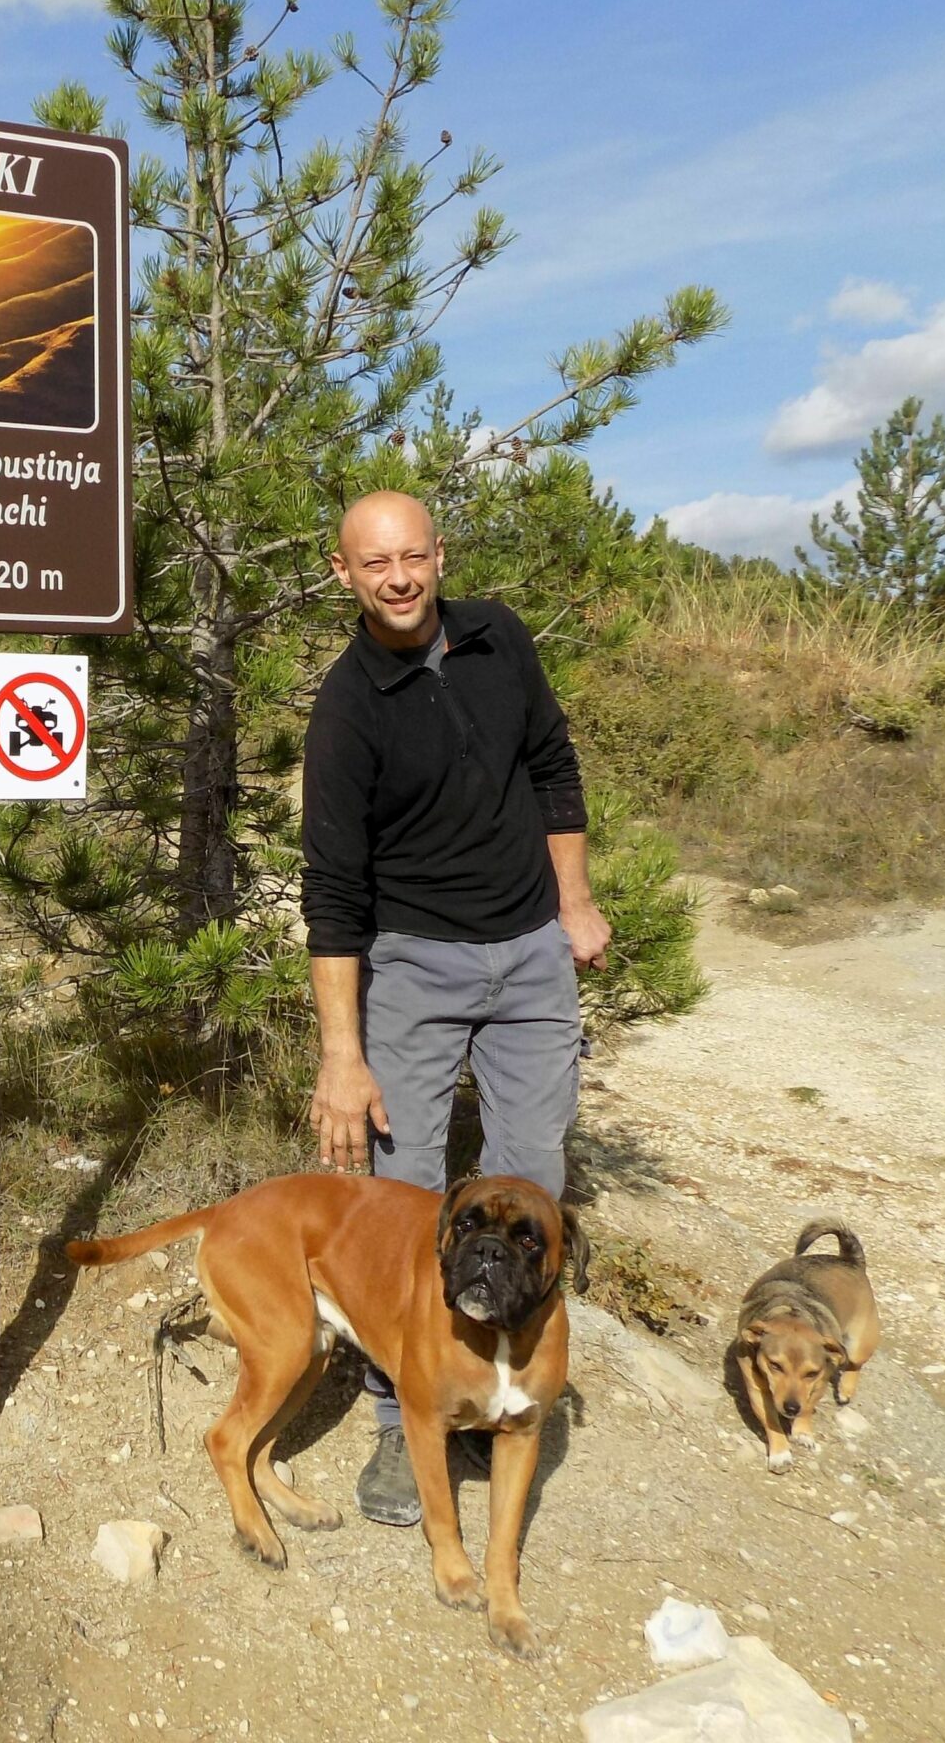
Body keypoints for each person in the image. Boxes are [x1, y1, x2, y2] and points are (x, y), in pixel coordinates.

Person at [298, 491, 611, 1527]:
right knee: (403, 1195)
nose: (397, 577)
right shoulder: (347, 711)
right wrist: (342, 1055)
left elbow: (552, 768)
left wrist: (572, 901)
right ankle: (403, 1422)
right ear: (341, 573)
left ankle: (501, 1395)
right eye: (373, 562)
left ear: (439, 555)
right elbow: (333, 897)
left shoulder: (498, 639)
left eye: (412, 556)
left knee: (534, 1185)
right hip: (414, 969)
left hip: (528, 954)